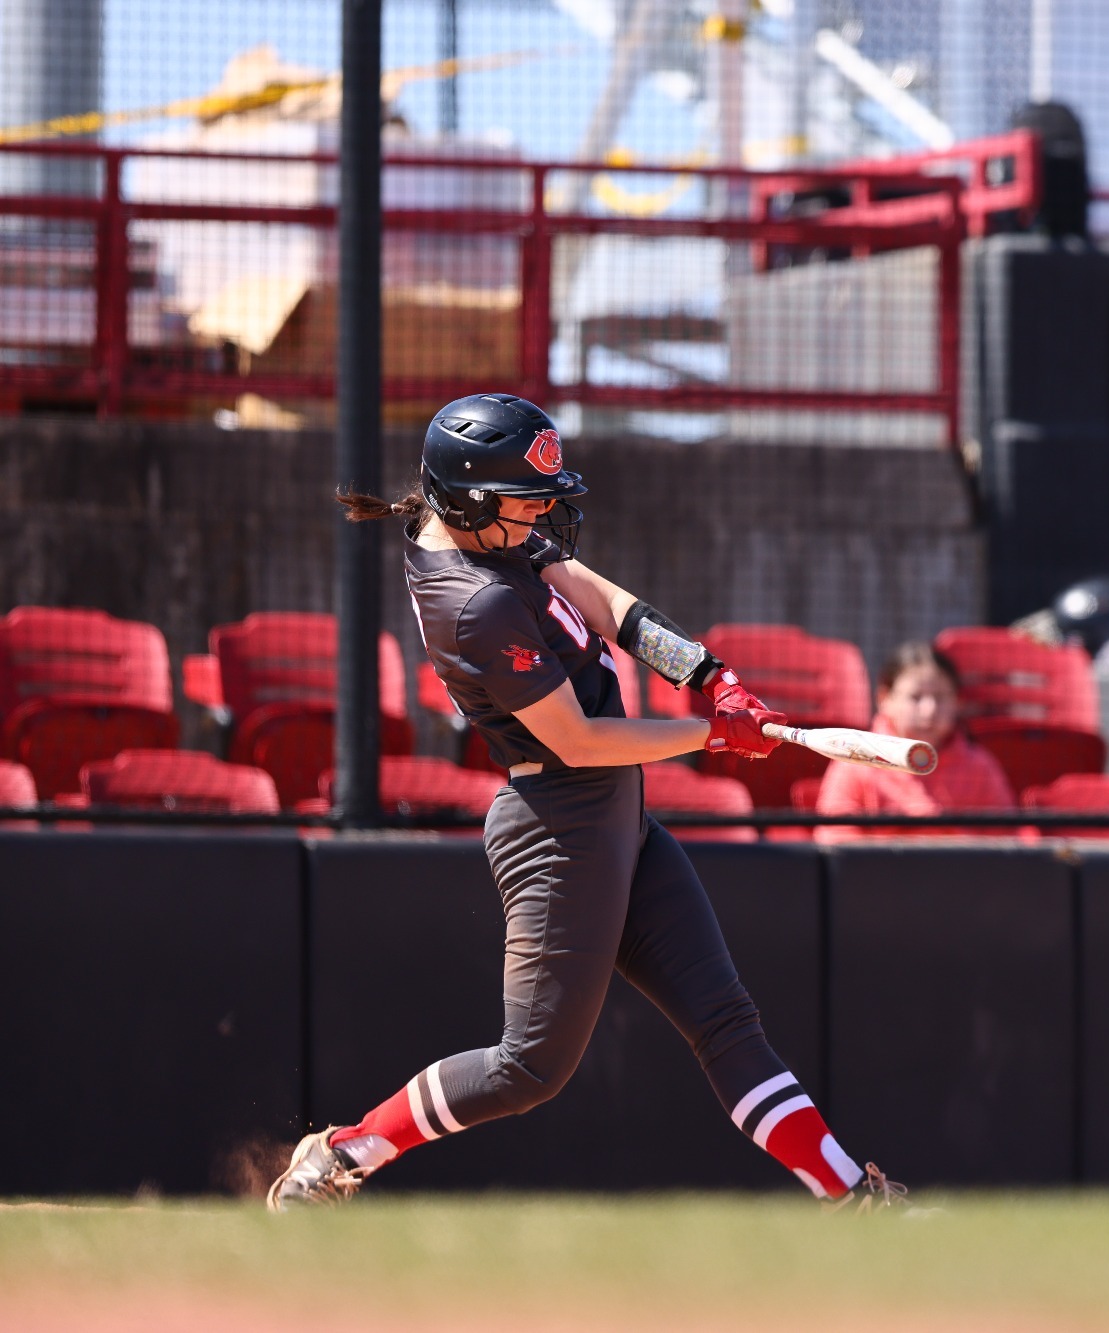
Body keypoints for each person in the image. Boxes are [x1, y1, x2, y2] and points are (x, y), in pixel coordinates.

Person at [267, 393, 900, 1211]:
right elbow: (580, 739)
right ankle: (345, 1150)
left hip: (615, 817)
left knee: (726, 1019)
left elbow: (599, 597)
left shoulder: (480, 529)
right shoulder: (475, 605)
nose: (542, 517)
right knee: (527, 1068)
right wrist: (711, 736)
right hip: (561, 825)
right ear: (470, 503)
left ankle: (855, 1196)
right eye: (525, 501)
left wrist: (706, 674)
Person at [816, 642, 1015, 841]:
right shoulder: (853, 762)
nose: (929, 710)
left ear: (958, 702)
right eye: (915, 697)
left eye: (940, 697)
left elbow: (1006, 840)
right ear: (885, 699)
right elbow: (835, 840)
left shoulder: (980, 767)